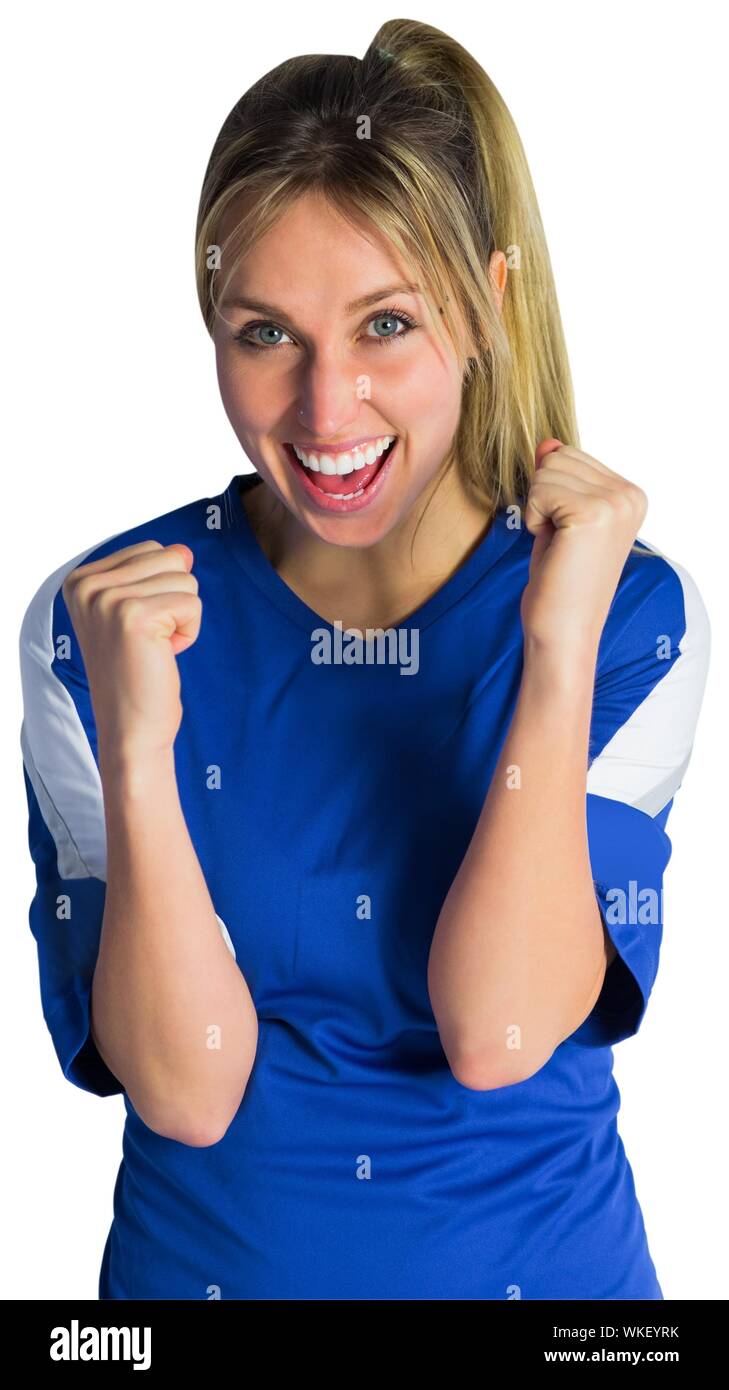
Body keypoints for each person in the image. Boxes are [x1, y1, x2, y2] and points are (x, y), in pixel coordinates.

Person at [19, 19, 711, 1301]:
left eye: (385, 324)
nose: (327, 411)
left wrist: (553, 660)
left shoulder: (626, 612)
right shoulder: (100, 624)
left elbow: (497, 1032)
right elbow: (184, 1083)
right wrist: (137, 745)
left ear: (485, 306)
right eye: (265, 334)